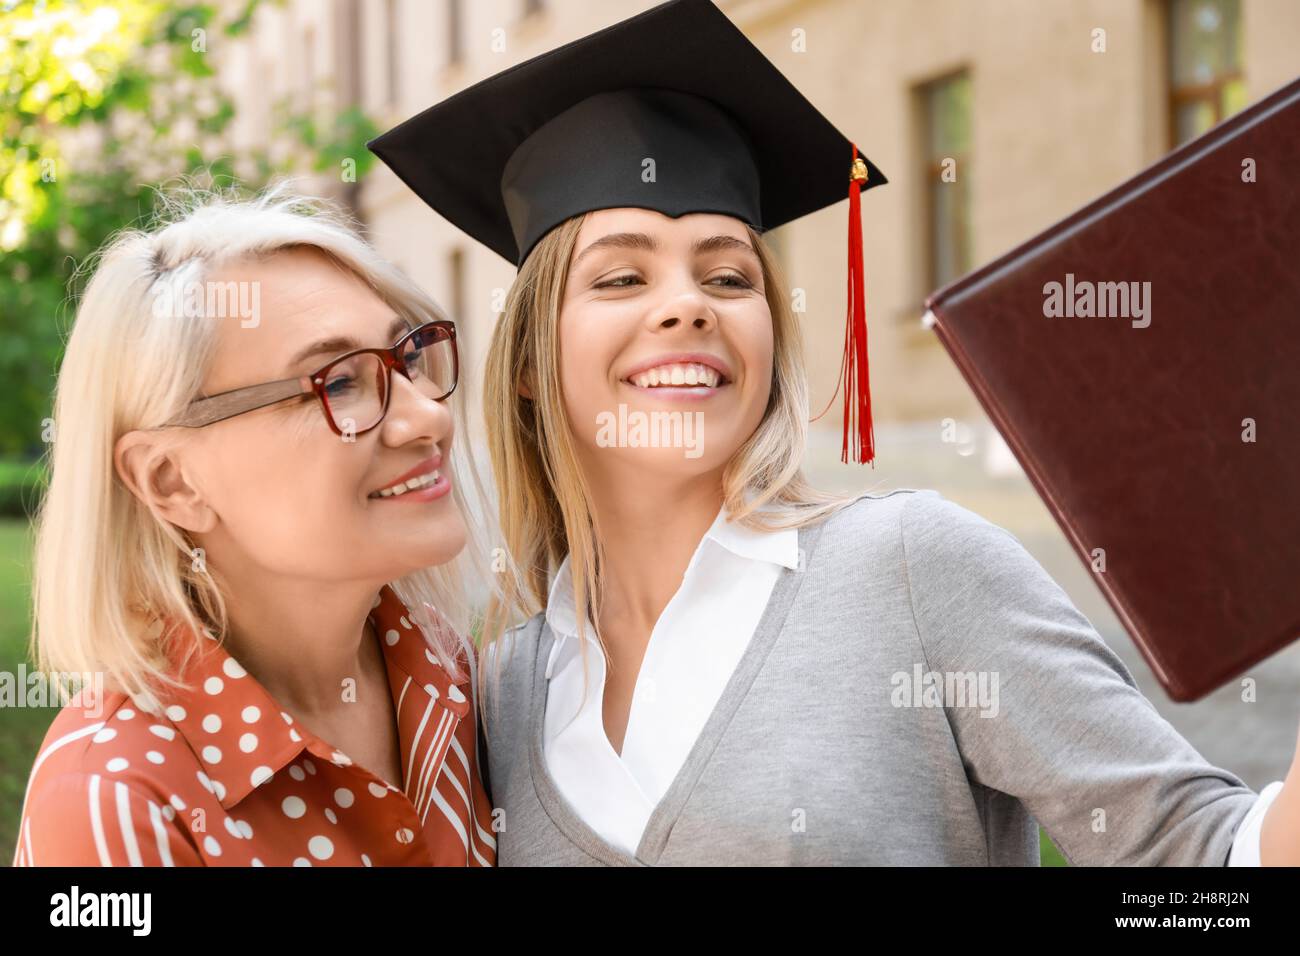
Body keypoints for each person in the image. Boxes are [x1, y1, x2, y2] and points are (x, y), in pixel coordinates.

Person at [369, 0, 1298, 864]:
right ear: (528, 364)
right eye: (621, 279)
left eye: (730, 278)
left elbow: (1208, 856)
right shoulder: (497, 689)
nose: (689, 307)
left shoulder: (909, 569)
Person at [12, 187, 496, 866]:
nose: (429, 418)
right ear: (171, 481)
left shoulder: (452, 678)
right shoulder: (111, 801)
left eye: (407, 358)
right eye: (336, 384)